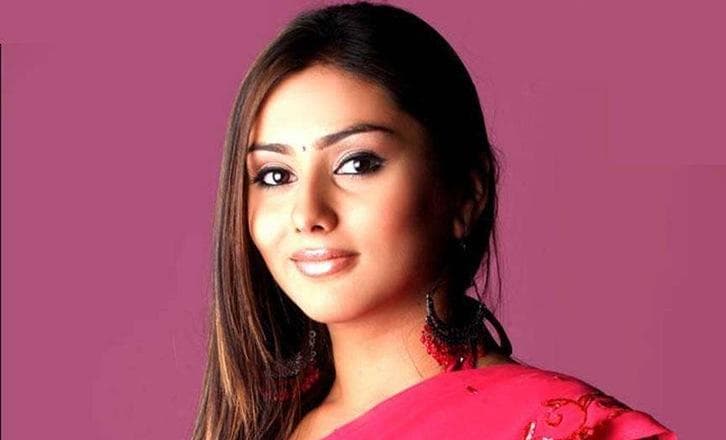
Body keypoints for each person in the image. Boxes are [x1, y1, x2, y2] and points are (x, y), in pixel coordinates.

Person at [191, 2, 677, 439]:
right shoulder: (258, 426)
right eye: (275, 175)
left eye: (357, 164)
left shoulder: (566, 428)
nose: (308, 214)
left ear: (466, 193)